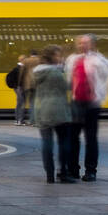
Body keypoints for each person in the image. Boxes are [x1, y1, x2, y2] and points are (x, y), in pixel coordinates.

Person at [64, 34, 108, 183]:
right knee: (73, 138)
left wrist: (102, 91)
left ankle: (90, 171)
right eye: (80, 43)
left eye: (85, 43)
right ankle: (73, 170)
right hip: (75, 102)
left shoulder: (98, 60)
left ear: (92, 44)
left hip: (92, 104)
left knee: (91, 139)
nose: (82, 45)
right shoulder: (72, 59)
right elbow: (68, 77)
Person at [33, 45, 75, 183]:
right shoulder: (55, 73)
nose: (60, 57)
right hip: (58, 111)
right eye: (58, 55)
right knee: (64, 143)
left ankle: (49, 175)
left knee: (47, 144)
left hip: (42, 111)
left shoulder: (37, 72)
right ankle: (63, 173)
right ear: (51, 57)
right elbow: (68, 86)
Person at [16, 49, 40, 125]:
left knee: (25, 102)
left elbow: (22, 72)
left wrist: (19, 83)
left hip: (27, 84)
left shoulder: (26, 61)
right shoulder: (40, 60)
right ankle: (34, 121)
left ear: (30, 54)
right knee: (34, 102)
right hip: (37, 83)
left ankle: (21, 119)